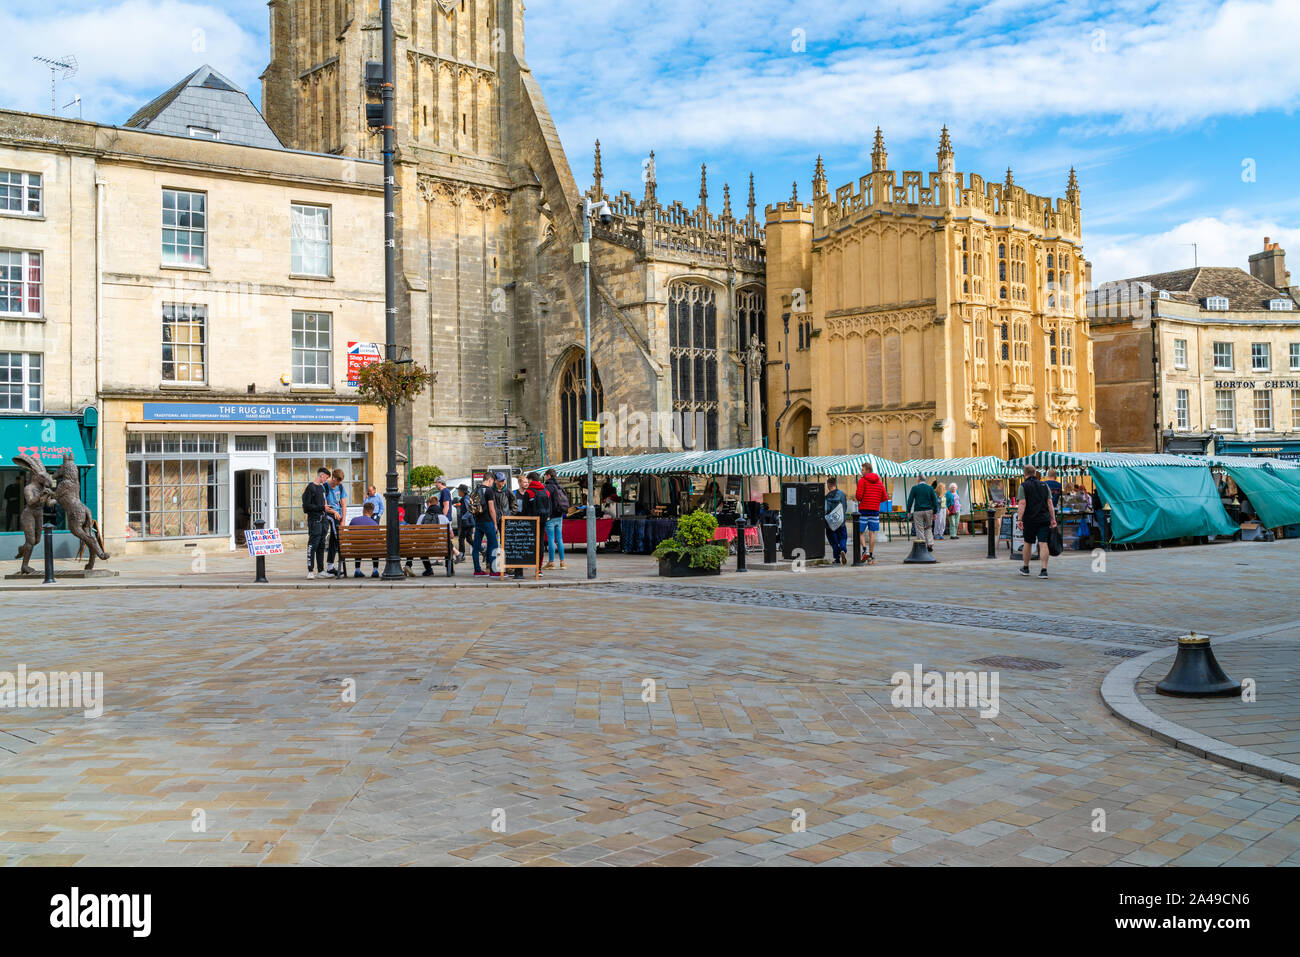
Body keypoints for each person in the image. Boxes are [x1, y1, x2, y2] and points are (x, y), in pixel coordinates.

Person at [1017, 465, 1057, 578]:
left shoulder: (1023, 486)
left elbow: (1022, 504)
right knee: (1043, 543)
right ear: (1035, 473)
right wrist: (1053, 518)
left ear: (1025, 474)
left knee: (1028, 542)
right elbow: (1050, 503)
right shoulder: (1045, 485)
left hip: (1030, 519)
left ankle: (1026, 567)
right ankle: (1044, 570)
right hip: (1044, 518)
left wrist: (1020, 519)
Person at [854, 464, 887, 565]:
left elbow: (858, 496)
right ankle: (871, 555)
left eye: (862, 470)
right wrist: (876, 500)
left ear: (868, 470)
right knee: (872, 533)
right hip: (874, 510)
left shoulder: (862, 481)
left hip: (864, 510)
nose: (861, 471)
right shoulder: (880, 482)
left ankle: (865, 550)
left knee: (860, 532)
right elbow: (885, 497)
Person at [301, 466, 330, 580]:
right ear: (321, 475)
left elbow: (323, 504)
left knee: (321, 546)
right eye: (326, 478)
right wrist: (321, 507)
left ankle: (321, 570)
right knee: (313, 545)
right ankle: (310, 570)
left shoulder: (322, 488)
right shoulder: (310, 488)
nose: (326, 480)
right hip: (314, 521)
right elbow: (306, 507)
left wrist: (326, 508)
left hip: (323, 521)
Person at [522, 472, 552, 575]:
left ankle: (524, 564)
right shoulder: (546, 491)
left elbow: (525, 510)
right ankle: (538, 569)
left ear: (530, 480)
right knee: (540, 544)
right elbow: (549, 507)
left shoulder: (529, 492)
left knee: (530, 543)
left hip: (531, 522)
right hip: (543, 520)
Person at [472, 472, 500, 577]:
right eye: (493, 481)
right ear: (490, 480)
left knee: (476, 546)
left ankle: (477, 570)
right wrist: (495, 523)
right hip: (488, 521)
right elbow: (492, 509)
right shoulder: (489, 491)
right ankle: (493, 571)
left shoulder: (476, 489)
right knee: (493, 544)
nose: (492, 484)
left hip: (478, 521)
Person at [323, 468, 348, 577]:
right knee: (337, 537)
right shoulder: (325, 487)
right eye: (337, 481)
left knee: (334, 540)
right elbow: (324, 506)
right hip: (329, 515)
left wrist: (343, 520)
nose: (338, 483)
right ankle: (333, 567)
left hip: (338, 517)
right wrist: (333, 512)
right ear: (333, 477)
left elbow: (343, 504)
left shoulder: (341, 487)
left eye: (340, 482)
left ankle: (330, 567)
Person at [906, 474, 940, 551]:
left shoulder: (915, 488)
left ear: (918, 479)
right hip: (929, 510)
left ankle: (922, 544)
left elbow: (910, 500)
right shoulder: (930, 488)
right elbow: (934, 500)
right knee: (928, 527)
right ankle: (930, 544)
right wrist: (935, 512)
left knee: (919, 528)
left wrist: (908, 511)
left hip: (918, 510)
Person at [543, 469, 569, 569]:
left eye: (545, 475)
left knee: (550, 539)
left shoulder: (548, 487)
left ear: (548, 475)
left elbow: (546, 501)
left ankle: (551, 562)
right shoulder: (560, 486)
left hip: (551, 516)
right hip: (559, 516)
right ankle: (562, 562)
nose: (545, 477)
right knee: (559, 539)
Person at [348, 501, 381, 578]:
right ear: (372, 512)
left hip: (355, 549)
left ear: (363, 510)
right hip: (371, 550)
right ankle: (375, 570)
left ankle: (357, 570)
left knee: (357, 543)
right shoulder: (375, 524)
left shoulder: (354, 520)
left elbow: (350, 534)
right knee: (376, 546)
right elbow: (378, 539)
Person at [824, 477, 849, 565]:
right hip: (841, 521)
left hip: (830, 524)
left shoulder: (827, 497)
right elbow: (845, 506)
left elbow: (826, 510)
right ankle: (842, 549)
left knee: (833, 541)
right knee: (843, 537)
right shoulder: (842, 494)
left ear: (828, 485)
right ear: (835, 484)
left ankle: (837, 558)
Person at [456, 484, 475, 559]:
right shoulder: (466, 498)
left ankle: (461, 555)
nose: (458, 492)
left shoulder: (465, 499)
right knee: (469, 539)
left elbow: (470, 511)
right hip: (469, 522)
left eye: (459, 491)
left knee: (461, 538)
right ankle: (482, 550)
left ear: (462, 492)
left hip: (467, 522)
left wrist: (463, 518)